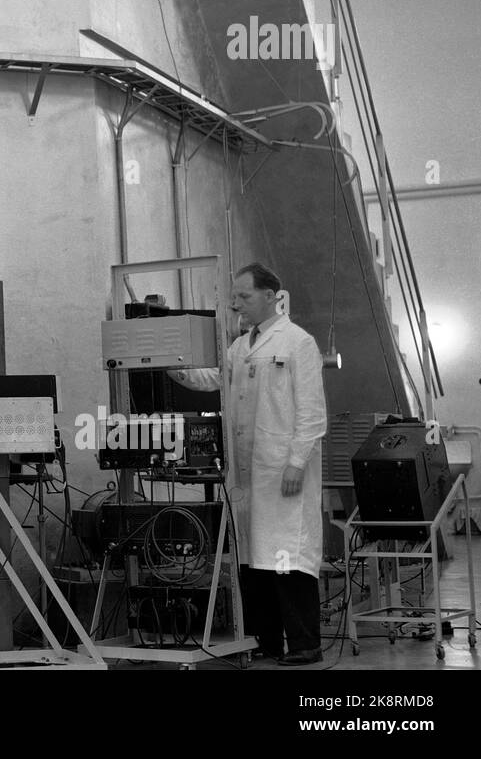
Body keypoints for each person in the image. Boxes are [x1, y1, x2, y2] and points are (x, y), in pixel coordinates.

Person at [169, 262, 327, 666]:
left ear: (272, 296)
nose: (235, 303)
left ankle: (306, 644)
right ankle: (267, 641)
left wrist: (296, 463)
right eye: (234, 296)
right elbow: (212, 379)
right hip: (247, 472)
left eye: (244, 296)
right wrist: (170, 360)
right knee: (255, 563)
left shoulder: (297, 343)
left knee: (287, 560)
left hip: (282, 471)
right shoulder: (241, 346)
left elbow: (312, 413)